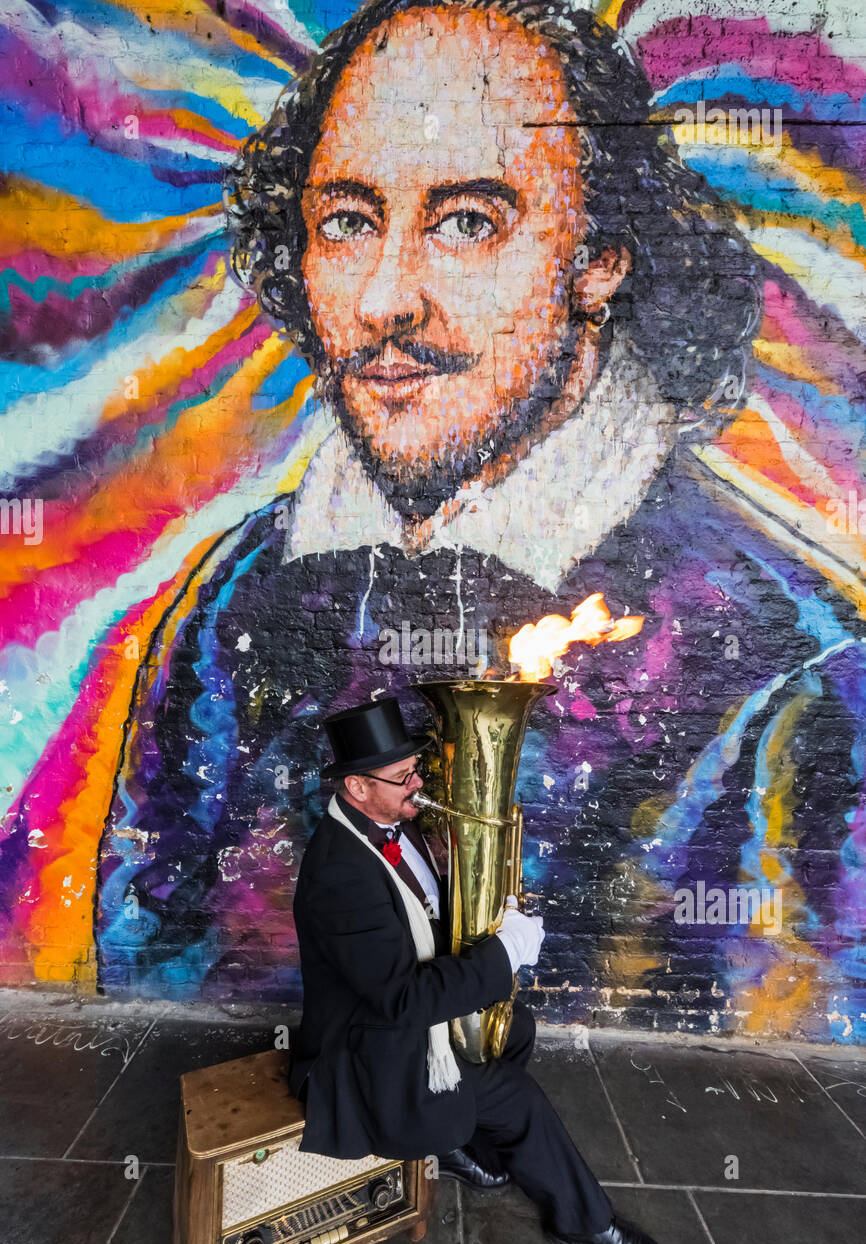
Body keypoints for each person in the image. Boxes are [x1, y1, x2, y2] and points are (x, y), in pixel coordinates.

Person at [95, 0, 866, 1049]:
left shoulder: (795, 675)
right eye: (346, 221)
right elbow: (150, 944)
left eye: (467, 221)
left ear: (599, 257)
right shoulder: (240, 590)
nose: (383, 299)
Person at [288, 694, 668, 1244]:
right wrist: (503, 951)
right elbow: (404, 999)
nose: (418, 783)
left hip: (389, 1019)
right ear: (357, 788)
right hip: (360, 1055)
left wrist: (493, 909)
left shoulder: (388, 826)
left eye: (416, 769)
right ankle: (585, 1223)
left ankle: (457, 1137)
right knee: (516, 1099)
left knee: (513, 1027)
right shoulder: (339, 873)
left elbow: (421, 916)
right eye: (403, 777)